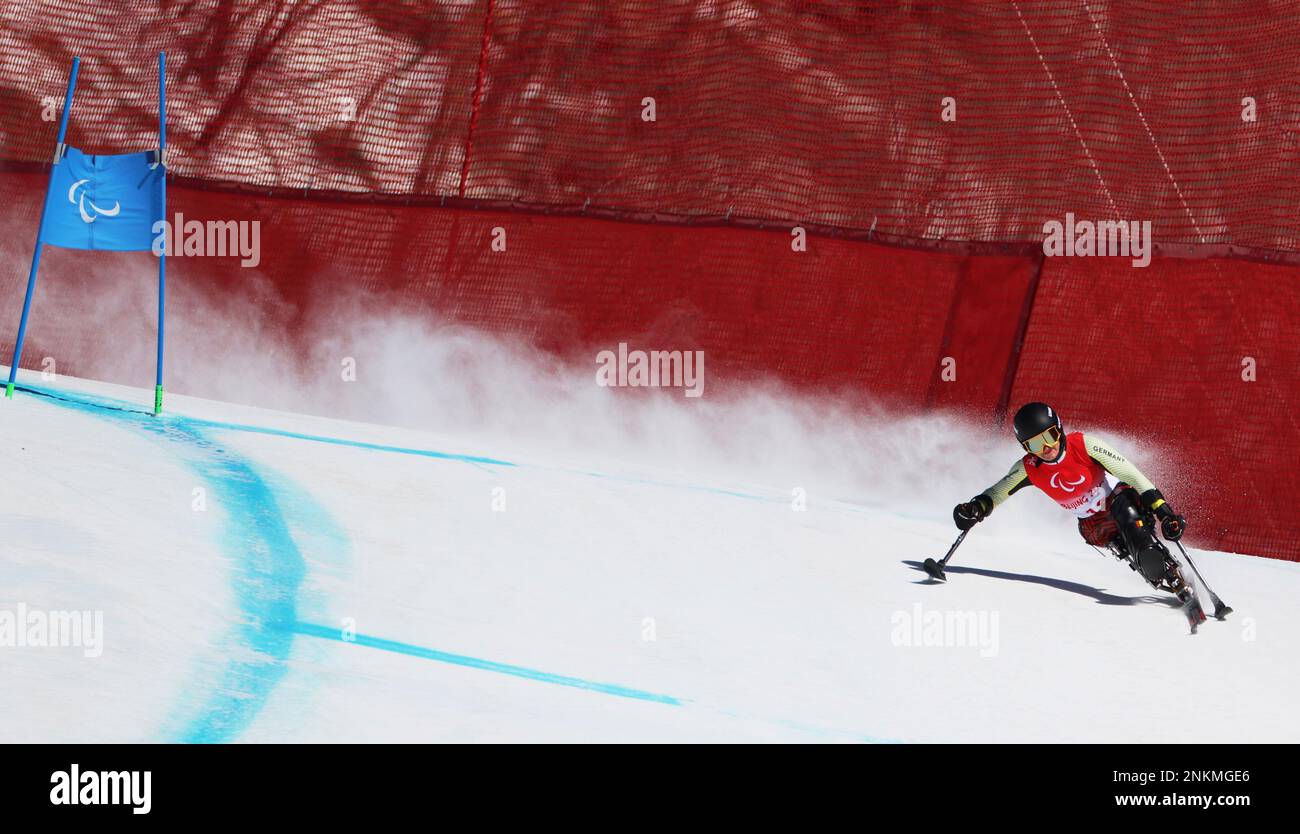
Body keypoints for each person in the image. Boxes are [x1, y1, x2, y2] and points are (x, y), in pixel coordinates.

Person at [952, 402, 1192, 601]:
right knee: (1107, 534)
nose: (1046, 447)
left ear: (1059, 429)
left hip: (1119, 498)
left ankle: (1160, 563)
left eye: (1050, 436)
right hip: (1092, 523)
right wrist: (975, 508)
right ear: (1026, 448)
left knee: (1129, 518)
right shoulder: (1030, 468)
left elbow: (1132, 474)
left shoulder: (1084, 445)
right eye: (1035, 444)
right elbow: (997, 493)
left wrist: (1164, 512)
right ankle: (1145, 564)